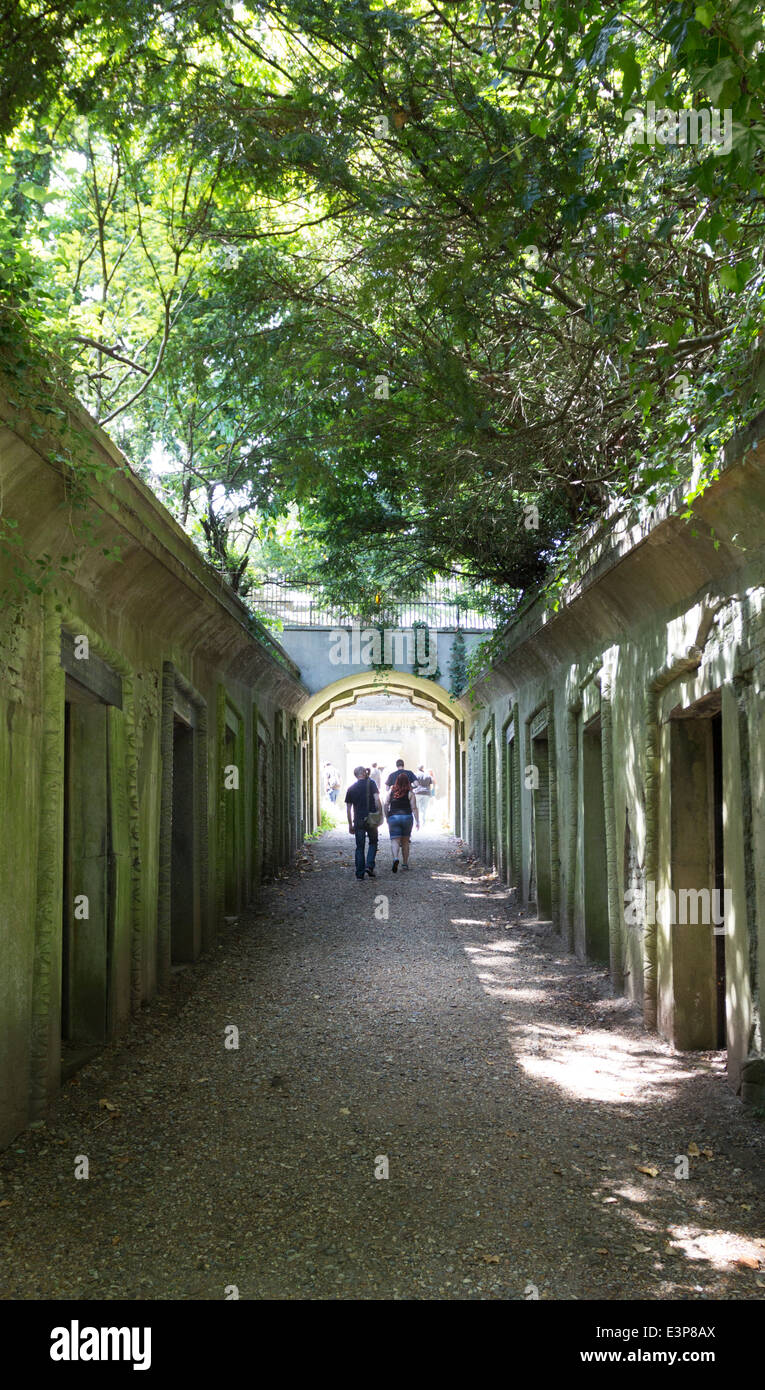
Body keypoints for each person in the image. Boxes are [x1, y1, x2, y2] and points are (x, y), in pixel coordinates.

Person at [345, 765, 382, 880]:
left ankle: (360, 874)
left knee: (359, 847)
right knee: (373, 842)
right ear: (364, 773)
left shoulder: (351, 789)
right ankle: (369, 866)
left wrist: (350, 824)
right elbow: (377, 800)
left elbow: (348, 809)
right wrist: (379, 814)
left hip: (358, 820)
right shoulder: (371, 784)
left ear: (356, 775)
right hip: (370, 818)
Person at [384, 771, 419, 872]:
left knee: (395, 840)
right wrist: (417, 821)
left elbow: (386, 804)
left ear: (396, 782)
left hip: (393, 818)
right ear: (408, 782)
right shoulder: (410, 793)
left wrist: (387, 816)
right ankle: (404, 864)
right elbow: (414, 808)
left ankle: (395, 858)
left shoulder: (391, 792)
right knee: (405, 842)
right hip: (407, 817)